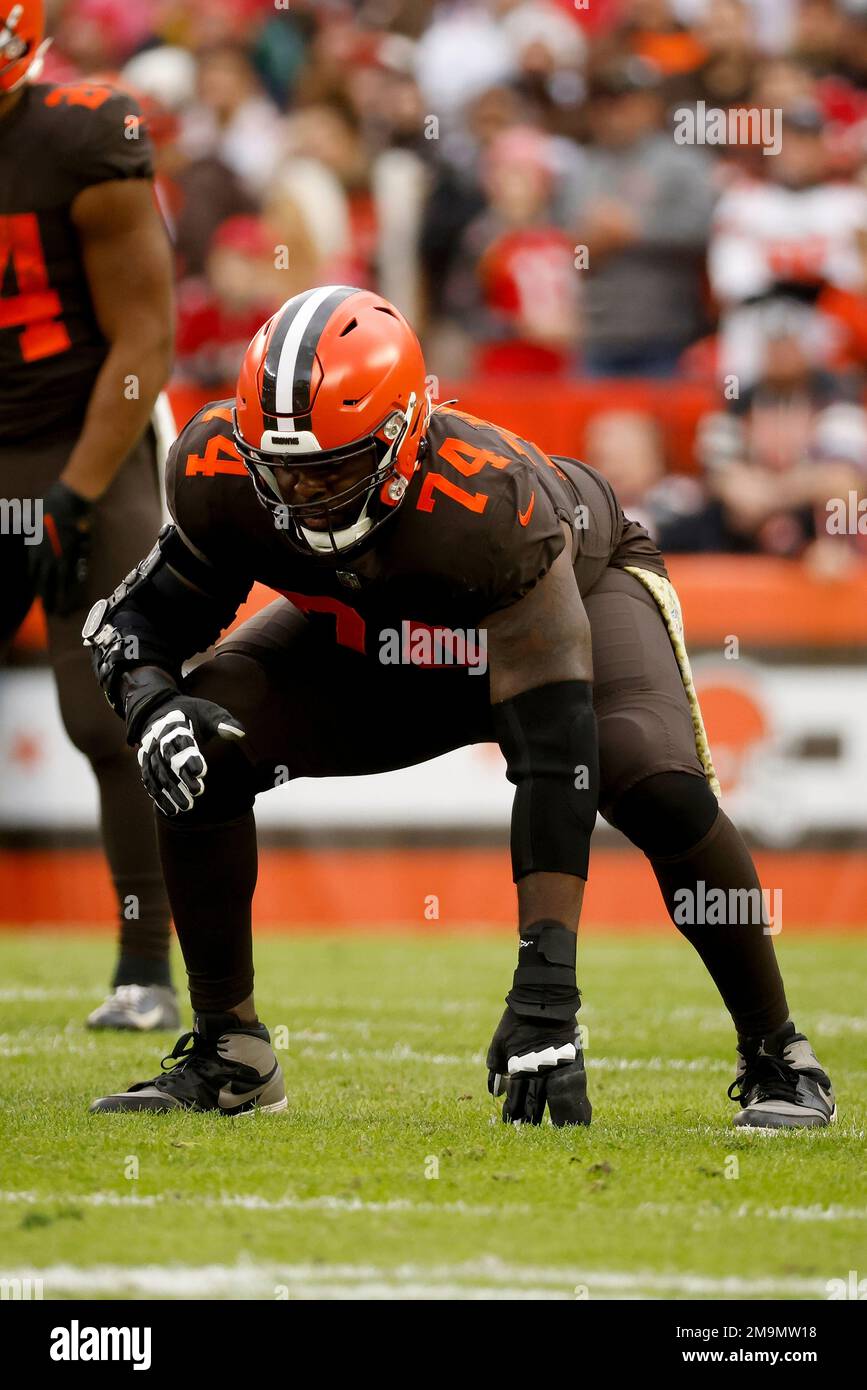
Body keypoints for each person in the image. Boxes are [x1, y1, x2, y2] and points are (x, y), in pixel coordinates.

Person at [83, 285, 834, 1129]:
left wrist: (545, 991)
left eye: (332, 468)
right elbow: (136, 624)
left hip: (573, 598)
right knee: (199, 740)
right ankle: (232, 1053)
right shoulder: (218, 468)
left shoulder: (488, 507)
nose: (305, 498)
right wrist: (151, 707)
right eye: (281, 472)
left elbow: (555, 759)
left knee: (647, 776)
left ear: (407, 433)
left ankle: (779, 1055)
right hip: (375, 637)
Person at [0, 0, 178, 1029]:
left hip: (86, 440)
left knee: (108, 711)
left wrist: (72, 490)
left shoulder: (79, 136)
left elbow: (145, 338)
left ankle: (145, 967)